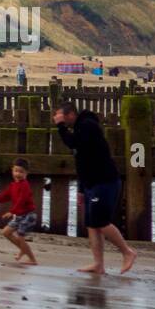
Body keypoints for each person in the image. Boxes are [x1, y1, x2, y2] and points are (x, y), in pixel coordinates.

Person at [54, 100, 136, 274]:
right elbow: (82, 161)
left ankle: (127, 252)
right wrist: (81, 190)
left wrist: (60, 126)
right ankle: (98, 264)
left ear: (70, 115)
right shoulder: (79, 128)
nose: (58, 119)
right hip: (92, 183)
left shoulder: (87, 125)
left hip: (105, 181)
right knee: (91, 224)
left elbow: (72, 143)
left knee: (101, 221)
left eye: (61, 116)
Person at [0, 158, 38, 265]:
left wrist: (11, 211)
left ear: (26, 173)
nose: (18, 174)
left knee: (20, 236)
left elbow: (22, 200)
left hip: (28, 215)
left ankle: (32, 259)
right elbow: (2, 198)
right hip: (19, 215)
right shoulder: (13, 186)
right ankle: (24, 250)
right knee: (6, 232)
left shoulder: (25, 185)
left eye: (21, 172)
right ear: (12, 170)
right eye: (16, 171)